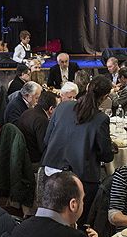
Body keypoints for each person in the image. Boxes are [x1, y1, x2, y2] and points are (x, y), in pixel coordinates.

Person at [41, 75, 114, 221]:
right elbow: (106, 156)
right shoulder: (100, 119)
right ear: (105, 96)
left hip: (51, 170)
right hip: (80, 177)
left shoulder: (62, 106)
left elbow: (47, 139)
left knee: (52, 217)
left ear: (87, 88)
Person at [15, 90, 57, 165]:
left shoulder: (28, 111)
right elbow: (44, 148)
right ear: (51, 109)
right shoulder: (42, 120)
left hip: (23, 156)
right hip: (34, 161)